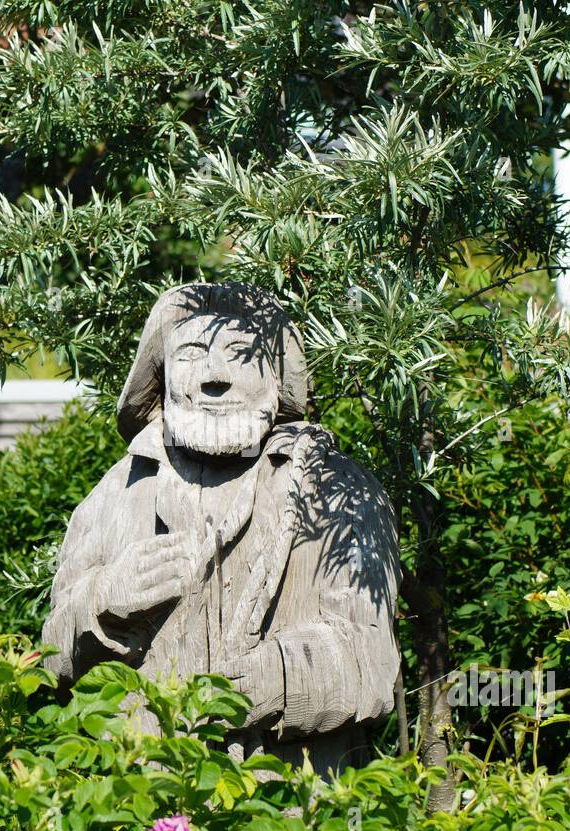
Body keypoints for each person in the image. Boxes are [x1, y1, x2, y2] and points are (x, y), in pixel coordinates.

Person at [42, 282, 400, 774]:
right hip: (139, 807)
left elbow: (371, 660)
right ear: (163, 376)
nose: (215, 378)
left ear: (276, 376)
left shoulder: (336, 490)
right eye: (191, 354)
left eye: (240, 353)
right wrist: (101, 603)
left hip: (289, 813)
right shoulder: (114, 496)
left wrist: (252, 682)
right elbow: (50, 662)